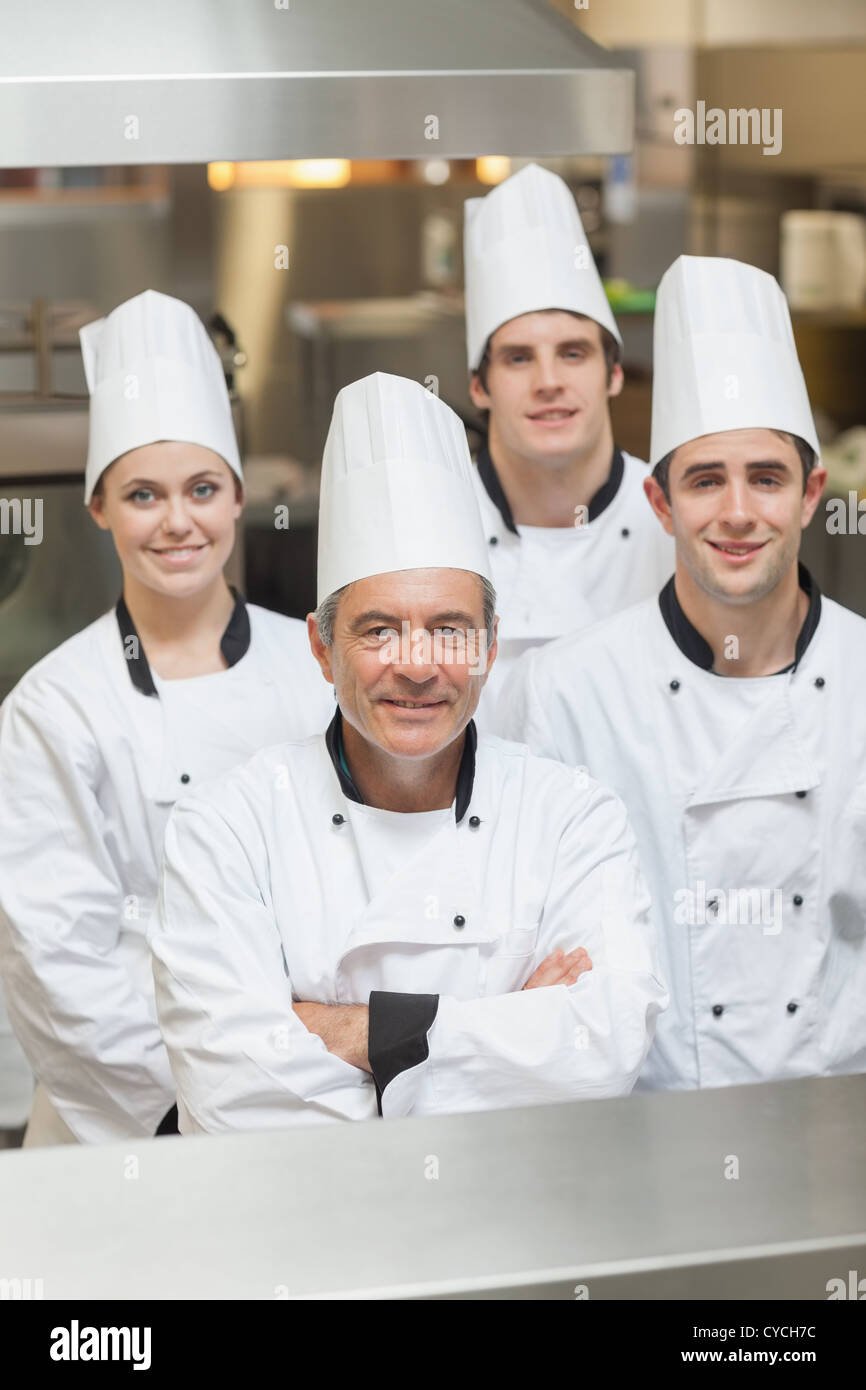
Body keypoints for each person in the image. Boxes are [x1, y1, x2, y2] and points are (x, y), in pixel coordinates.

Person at [149, 372, 666, 1131]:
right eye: (379, 629)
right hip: (289, 1233)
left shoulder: (573, 819)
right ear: (322, 650)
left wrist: (343, 1030)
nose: (419, 664)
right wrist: (502, 1023)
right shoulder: (225, 830)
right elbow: (234, 1092)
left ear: (489, 647)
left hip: (519, 1230)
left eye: (450, 628)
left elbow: (605, 1052)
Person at [496, 255, 866, 1091]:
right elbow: (519, 942)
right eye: (705, 481)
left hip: (844, 1131)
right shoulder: (564, 693)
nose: (737, 512)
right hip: (639, 1132)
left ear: (811, 495)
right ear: (660, 504)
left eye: (765, 479)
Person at [0, 290, 334, 1145]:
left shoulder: (317, 668)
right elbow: (53, 959)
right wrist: (184, 1109)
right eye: (143, 495)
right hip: (126, 1120)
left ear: (236, 499)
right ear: (98, 508)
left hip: (311, 1096)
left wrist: (307, 1067)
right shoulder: (53, 706)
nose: (178, 521)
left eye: (202, 489)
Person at [463, 163, 673, 716]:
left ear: (614, 373)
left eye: (573, 352)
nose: (549, 381)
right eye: (518, 358)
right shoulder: (431, 522)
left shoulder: (681, 521)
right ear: (479, 385)